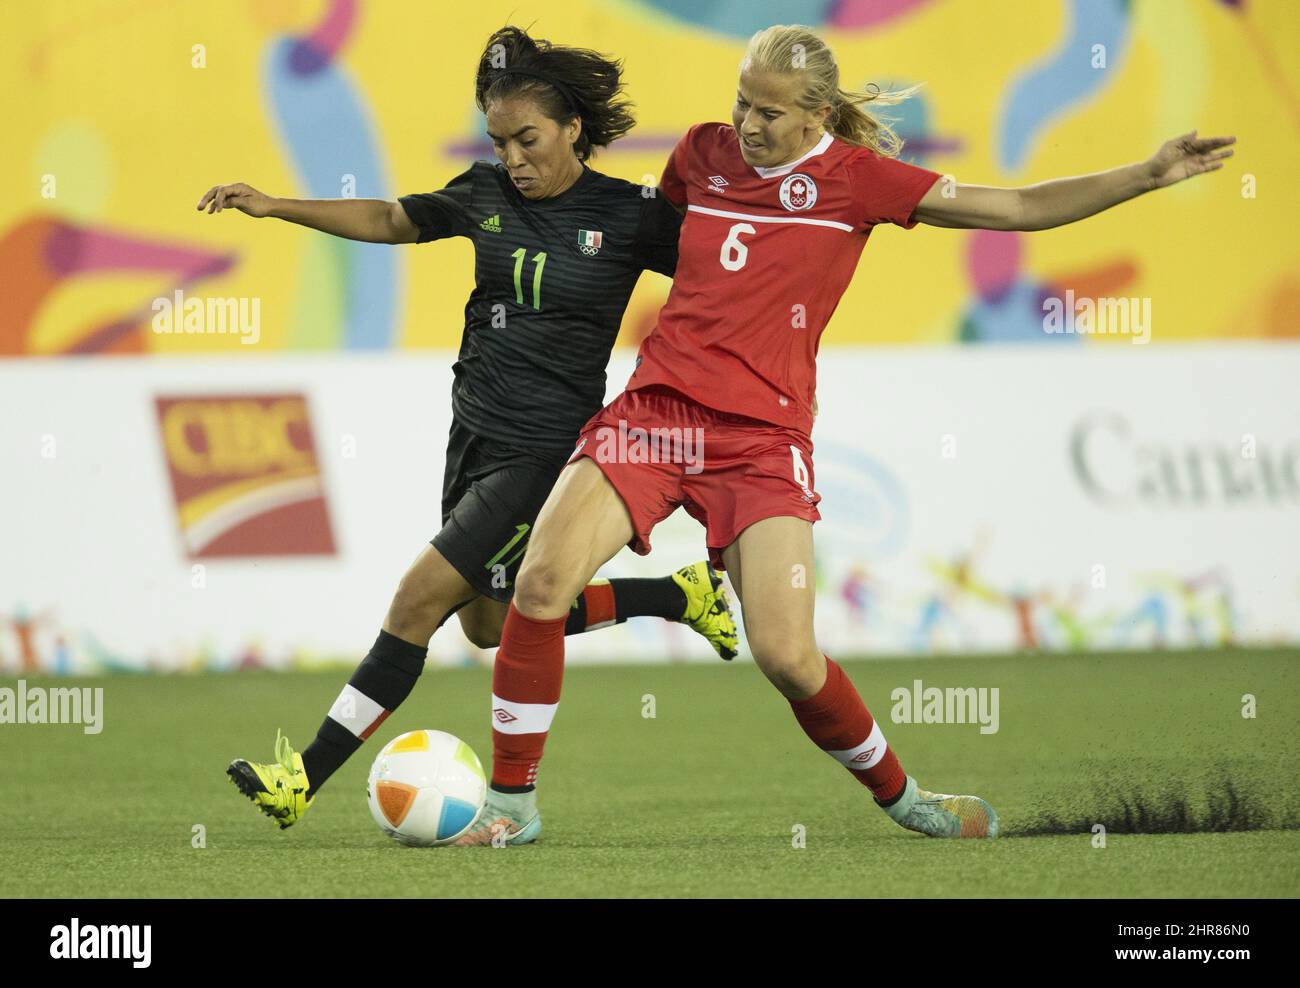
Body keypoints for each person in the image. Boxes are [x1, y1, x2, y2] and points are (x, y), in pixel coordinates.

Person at [458, 23, 1237, 845]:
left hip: (762, 441)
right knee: (538, 587)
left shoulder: (858, 182)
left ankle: (908, 800)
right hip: (655, 416)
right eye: (740, 103)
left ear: (816, 112)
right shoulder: (700, 156)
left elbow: (1016, 207)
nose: (748, 125)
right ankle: (513, 808)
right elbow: (651, 240)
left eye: (768, 111)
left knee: (789, 657)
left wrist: (1148, 175)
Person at [200, 25, 739, 830]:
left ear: (573, 131)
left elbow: (726, 269)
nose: (514, 156)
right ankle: (678, 594)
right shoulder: (484, 195)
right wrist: (277, 205)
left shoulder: (632, 216)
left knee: (417, 601)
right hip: (474, 440)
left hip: (544, 452)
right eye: (500, 141)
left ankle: (299, 779)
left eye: (528, 139)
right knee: (491, 623)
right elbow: (389, 219)